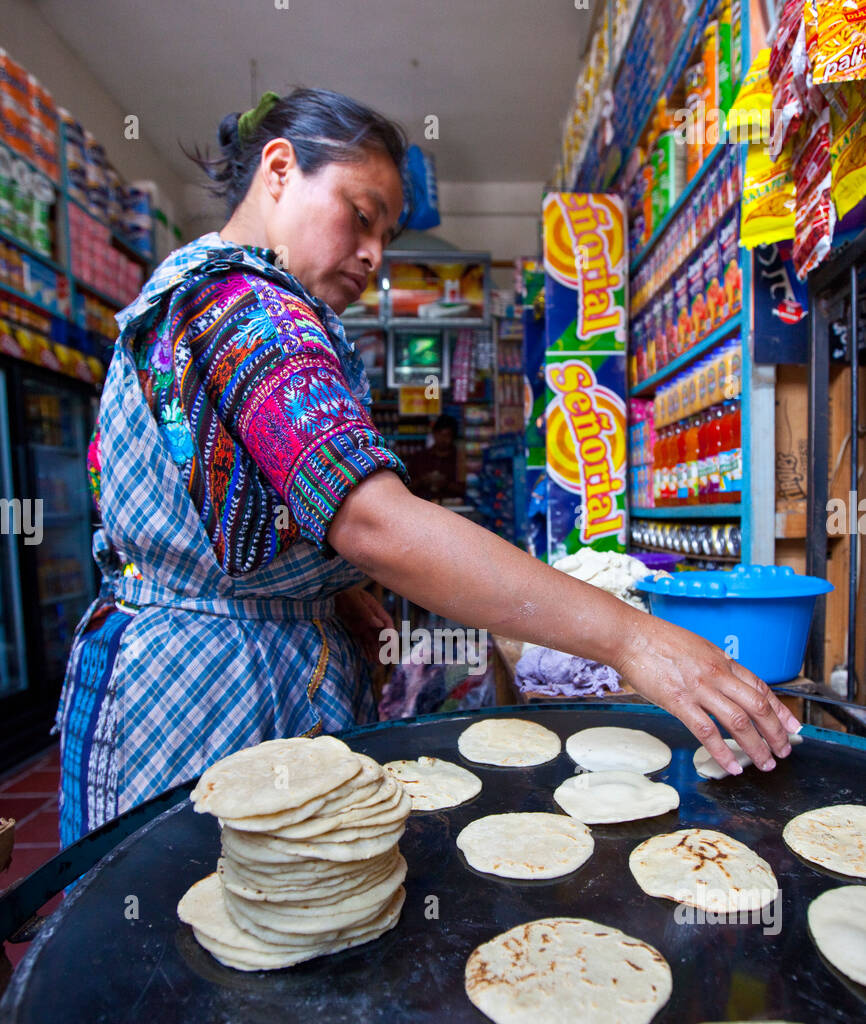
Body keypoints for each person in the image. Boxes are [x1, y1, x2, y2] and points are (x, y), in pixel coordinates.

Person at [54, 86, 798, 848]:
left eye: (387, 233)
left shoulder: (201, 292)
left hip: (218, 662)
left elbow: (208, 504)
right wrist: (636, 641)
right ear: (279, 170)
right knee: (204, 924)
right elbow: (378, 523)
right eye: (362, 213)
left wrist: (314, 590)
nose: (376, 256)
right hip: (204, 694)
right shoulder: (245, 307)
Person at [407, 414, 464, 502]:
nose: (442, 439)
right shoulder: (420, 457)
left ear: (453, 437)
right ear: (434, 434)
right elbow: (406, 487)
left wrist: (445, 483)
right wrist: (423, 480)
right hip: (422, 506)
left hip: (452, 508)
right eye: (439, 434)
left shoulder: (459, 459)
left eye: (447, 435)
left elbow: (466, 489)